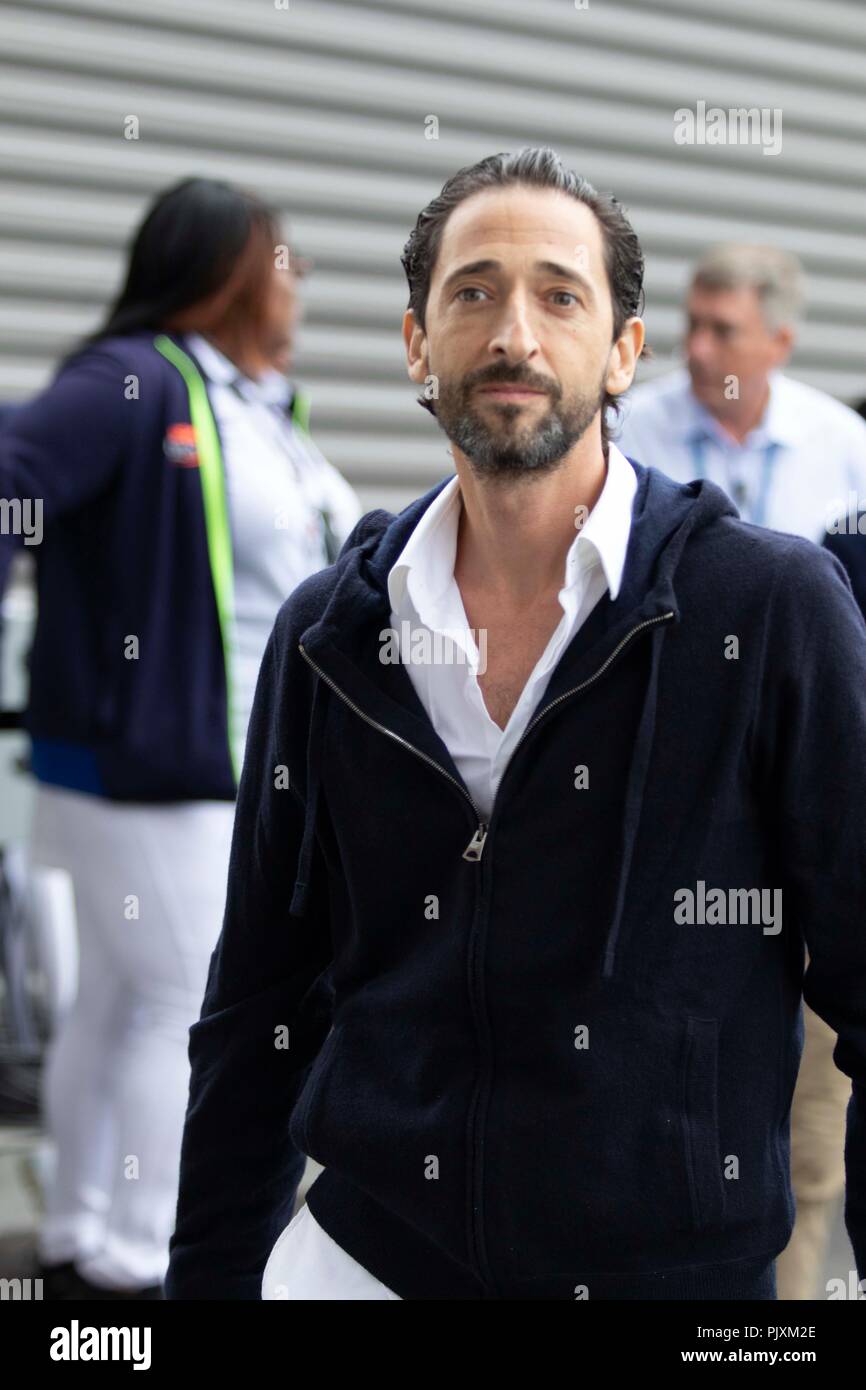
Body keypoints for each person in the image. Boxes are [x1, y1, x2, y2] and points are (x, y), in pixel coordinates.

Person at [165, 148, 866, 1302]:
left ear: (621, 354)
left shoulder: (770, 611)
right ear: (415, 344)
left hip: (669, 1280)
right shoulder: (328, 633)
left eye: (558, 293)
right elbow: (254, 1005)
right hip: (364, 1262)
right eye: (472, 291)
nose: (512, 336)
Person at [0, 176, 362, 1299]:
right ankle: (149, 1256)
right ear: (225, 272)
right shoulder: (129, 378)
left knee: (117, 999)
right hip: (152, 766)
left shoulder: (255, 403)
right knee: (183, 1006)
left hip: (216, 763)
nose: (295, 278)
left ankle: (82, 1232)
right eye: (279, 256)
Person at [616, 244, 866, 1299]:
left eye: (723, 327)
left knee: (809, 1142)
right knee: (642, 1120)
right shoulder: (627, 429)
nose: (698, 345)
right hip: (666, 816)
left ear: (778, 338)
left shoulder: (839, 447)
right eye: (691, 321)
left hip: (800, 813)